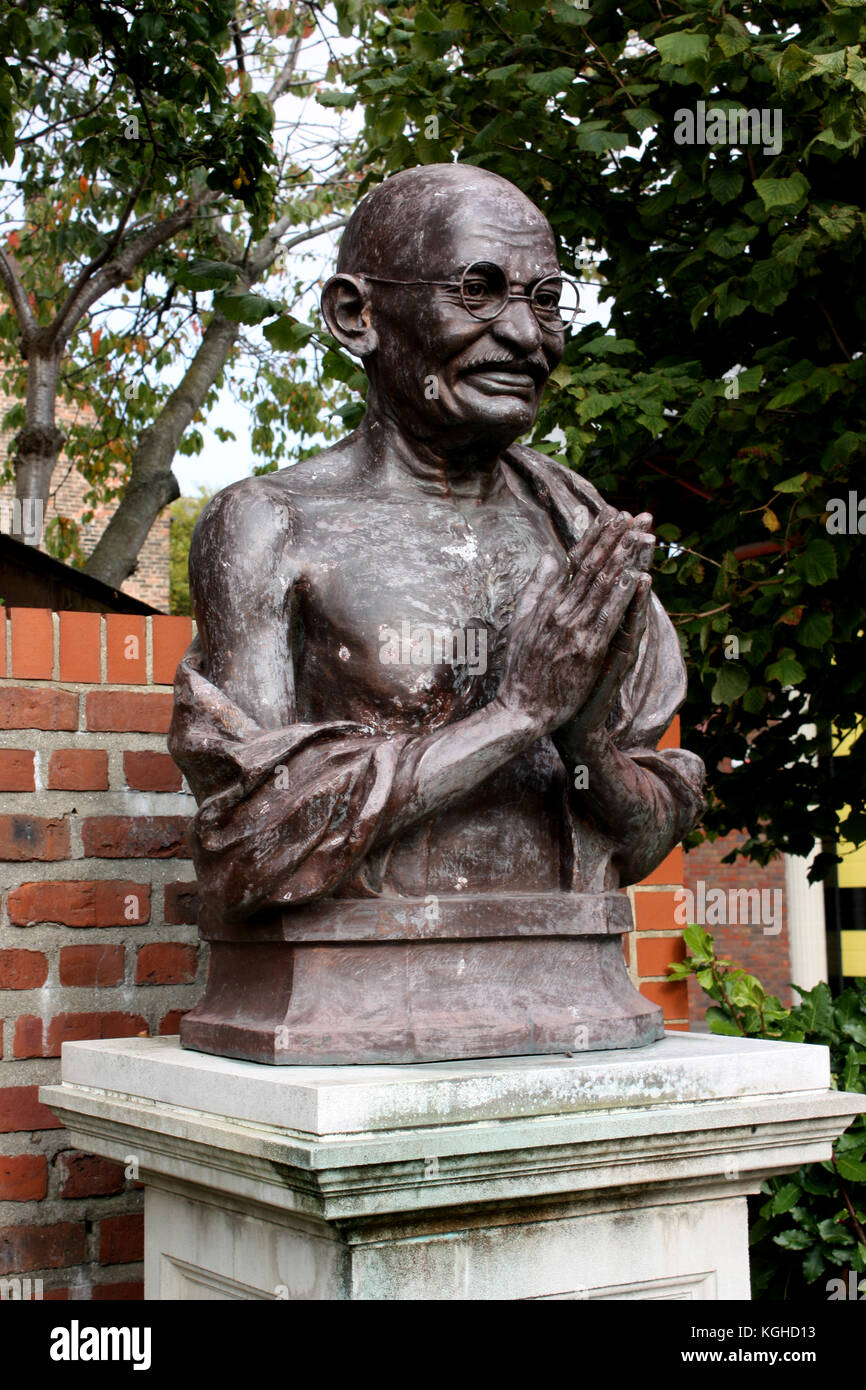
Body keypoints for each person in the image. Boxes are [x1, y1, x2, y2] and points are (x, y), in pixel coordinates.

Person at [169, 163, 705, 1062]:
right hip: (343, 1004)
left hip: (574, 994)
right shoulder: (270, 527)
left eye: (546, 300)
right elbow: (251, 842)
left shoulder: (583, 534)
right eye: (478, 291)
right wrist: (518, 715)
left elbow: (649, 833)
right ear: (356, 314)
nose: (525, 335)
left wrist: (584, 743)